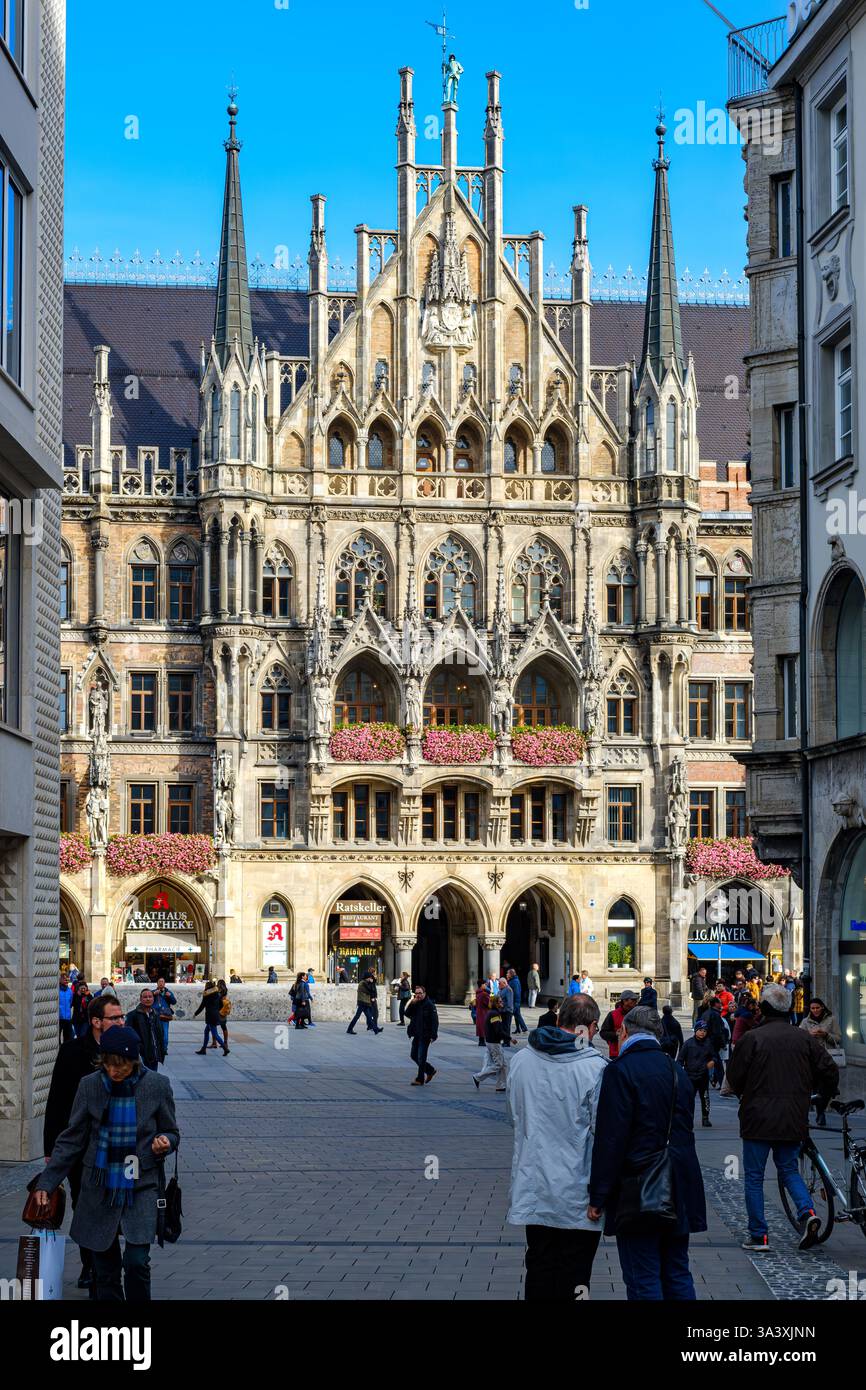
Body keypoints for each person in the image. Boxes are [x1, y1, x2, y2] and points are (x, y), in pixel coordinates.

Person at [31, 1025, 179, 1302]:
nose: (113, 1072)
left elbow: (172, 1132)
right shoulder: (90, 1085)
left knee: (136, 1262)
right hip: (98, 1187)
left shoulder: (157, 1086)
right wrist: (47, 1181)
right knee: (105, 1270)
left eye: (120, 1066)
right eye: (108, 1065)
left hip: (141, 1185)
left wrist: (165, 1141)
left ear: (134, 1061)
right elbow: (72, 1138)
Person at [588, 1007, 707, 1300]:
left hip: (639, 1187)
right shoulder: (676, 1070)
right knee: (677, 1271)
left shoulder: (619, 1071)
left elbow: (611, 1139)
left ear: (624, 1032)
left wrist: (599, 1196)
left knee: (643, 1276)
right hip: (679, 1183)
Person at [507, 993, 607, 1301]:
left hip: (534, 1184)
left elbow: (516, 1115)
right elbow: (602, 1133)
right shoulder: (596, 1069)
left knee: (538, 1265)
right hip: (578, 1190)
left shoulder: (522, 1059)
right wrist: (602, 1193)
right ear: (589, 1027)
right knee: (576, 1272)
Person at [726, 983, 839, 1252]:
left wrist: (745, 1092)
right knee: (788, 1169)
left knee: (754, 1176)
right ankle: (807, 1212)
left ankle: (759, 1235)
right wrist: (822, 1096)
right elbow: (829, 1069)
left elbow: (735, 1076)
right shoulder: (804, 1038)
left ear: (764, 1008)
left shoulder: (752, 1038)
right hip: (792, 1115)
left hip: (757, 1118)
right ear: (788, 1009)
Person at [44, 993, 127, 1294]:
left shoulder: (126, 1050)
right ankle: (90, 1263)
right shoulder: (72, 1052)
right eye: (114, 1018)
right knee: (84, 1206)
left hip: (116, 1148)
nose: (120, 1022)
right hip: (81, 1150)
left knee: (114, 1206)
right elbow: (56, 1102)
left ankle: (103, 1264)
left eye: (121, 1017)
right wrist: (50, 1150)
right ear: (95, 1021)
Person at [799, 998, 842, 1126]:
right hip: (811, 1059)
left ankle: (821, 1110)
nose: (815, 1010)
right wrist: (809, 1035)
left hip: (827, 1060)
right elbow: (799, 1038)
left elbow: (838, 1038)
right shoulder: (805, 1022)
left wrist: (826, 1035)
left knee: (825, 1087)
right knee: (815, 1087)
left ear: (822, 1007)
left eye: (817, 1008)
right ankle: (818, 1113)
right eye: (813, 1008)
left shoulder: (831, 1019)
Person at [679, 1021, 715, 1127]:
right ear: (695, 1030)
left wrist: (713, 1061)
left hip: (703, 1075)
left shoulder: (708, 1043)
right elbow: (680, 1060)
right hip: (690, 1076)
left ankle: (705, 1118)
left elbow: (714, 1056)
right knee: (689, 1099)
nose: (702, 1033)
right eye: (700, 1030)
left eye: (704, 1031)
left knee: (705, 1098)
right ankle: (688, 1118)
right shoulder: (688, 1044)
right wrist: (680, 1073)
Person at [473, 993, 508, 1090]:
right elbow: (497, 1030)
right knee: (499, 1064)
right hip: (494, 1043)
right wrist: (509, 1038)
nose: (502, 1003)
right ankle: (478, 1077)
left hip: (491, 1041)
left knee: (504, 1065)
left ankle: (501, 1085)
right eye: (500, 1001)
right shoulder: (494, 1014)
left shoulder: (493, 1012)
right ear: (496, 1003)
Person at [405, 984, 439, 1085]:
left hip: (425, 1035)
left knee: (421, 1057)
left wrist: (434, 1035)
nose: (418, 995)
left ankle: (420, 1079)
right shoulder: (416, 1003)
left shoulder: (429, 1005)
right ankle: (430, 1070)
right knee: (413, 1055)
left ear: (424, 993)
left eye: (420, 993)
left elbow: (435, 1021)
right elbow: (407, 1014)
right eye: (416, 994)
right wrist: (412, 1003)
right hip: (417, 1034)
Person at [125, 989, 165, 1071]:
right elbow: (128, 1036)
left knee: (153, 1078)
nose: (148, 999)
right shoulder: (132, 1015)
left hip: (154, 1054)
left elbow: (160, 1033)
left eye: (150, 997)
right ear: (140, 999)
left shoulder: (156, 1014)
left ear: (153, 999)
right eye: (145, 997)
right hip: (142, 1056)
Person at [599, 989, 639, 1059]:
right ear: (625, 1001)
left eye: (636, 1000)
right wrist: (616, 1035)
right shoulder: (612, 1014)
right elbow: (603, 1033)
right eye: (633, 1000)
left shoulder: (638, 1013)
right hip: (616, 1054)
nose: (636, 1002)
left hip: (635, 1051)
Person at [194, 980, 229, 1056]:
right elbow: (221, 1004)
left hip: (210, 1016)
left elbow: (202, 1006)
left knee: (215, 1034)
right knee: (206, 1031)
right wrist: (216, 1010)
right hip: (216, 1015)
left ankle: (225, 1049)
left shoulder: (206, 994)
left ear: (206, 986)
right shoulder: (217, 994)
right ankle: (203, 1049)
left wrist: (196, 1013)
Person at [347, 970, 382, 1034]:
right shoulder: (363, 983)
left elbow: (372, 990)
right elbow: (371, 990)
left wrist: (372, 982)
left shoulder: (365, 983)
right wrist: (372, 983)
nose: (370, 979)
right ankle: (349, 1029)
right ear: (367, 977)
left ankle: (375, 1029)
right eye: (369, 978)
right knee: (357, 1016)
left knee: (369, 1017)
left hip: (364, 1002)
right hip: (362, 1002)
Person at [152, 978, 177, 1057]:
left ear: (165, 983)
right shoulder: (153, 992)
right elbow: (146, 999)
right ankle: (155, 1048)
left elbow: (174, 1002)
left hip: (165, 1016)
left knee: (165, 1035)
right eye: (159, 981)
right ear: (157, 983)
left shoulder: (168, 992)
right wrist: (153, 994)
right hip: (155, 1016)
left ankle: (164, 1049)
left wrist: (170, 997)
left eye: (162, 981)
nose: (161, 983)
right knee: (154, 1033)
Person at [508, 968, 528, 1035]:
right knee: (517, 1015)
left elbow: (516, 993)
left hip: (515, 1001)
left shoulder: (514, 981)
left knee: (514, 1015)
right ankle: (518, 1029)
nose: (507, 974)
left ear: (511, 974)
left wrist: (513, 1001)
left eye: (508, 973)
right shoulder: (512, 980)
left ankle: (524, 1029)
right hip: (516, 1001)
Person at [498, 976, 515, 1045]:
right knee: (502, 1027)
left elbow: (509, 1002)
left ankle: (507, 1042)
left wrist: (503, 1006)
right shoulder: (501, 989)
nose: (498, 985)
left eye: (499, 983)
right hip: (502, 1011)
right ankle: (505, 1041)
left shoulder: (508, 989)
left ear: (504, 983)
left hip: (507, 1012)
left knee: (506, 1027)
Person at [216, 977, 233, 1043]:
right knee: (224, 1027)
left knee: (213, 1027)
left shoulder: (218, 991)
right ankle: (225, 1042)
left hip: (218, 1010)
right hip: (224, 1010)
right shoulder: (225, 991)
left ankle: (214, 1043)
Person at [59, 973, 74, 1044]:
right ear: (60, 980)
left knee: (68, 1038)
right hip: (59, 1018)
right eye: (64, 979)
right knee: (57, 1037)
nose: (66, 981)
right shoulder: (57, 990)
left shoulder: (70, 991)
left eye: (67, 979)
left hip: (67, 1018)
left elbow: (70, 1003)